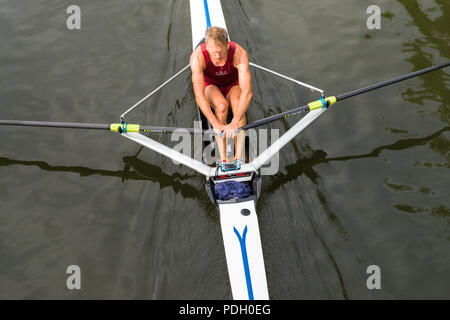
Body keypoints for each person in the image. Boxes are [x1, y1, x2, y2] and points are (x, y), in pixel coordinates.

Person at [190, 26, 252, 168]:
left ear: (227, 46)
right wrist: (216, 124)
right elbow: (199, 96)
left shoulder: (239, 54)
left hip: (232, 84)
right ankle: (222, 157)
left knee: (237, 105)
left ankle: (240, 156)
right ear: (207, 46)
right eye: (213, 52)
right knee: (221, 107)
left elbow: (247, 93)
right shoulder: (197, 57)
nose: (217, 57)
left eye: (220, 52)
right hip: (211, 86)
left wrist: (235, 121)